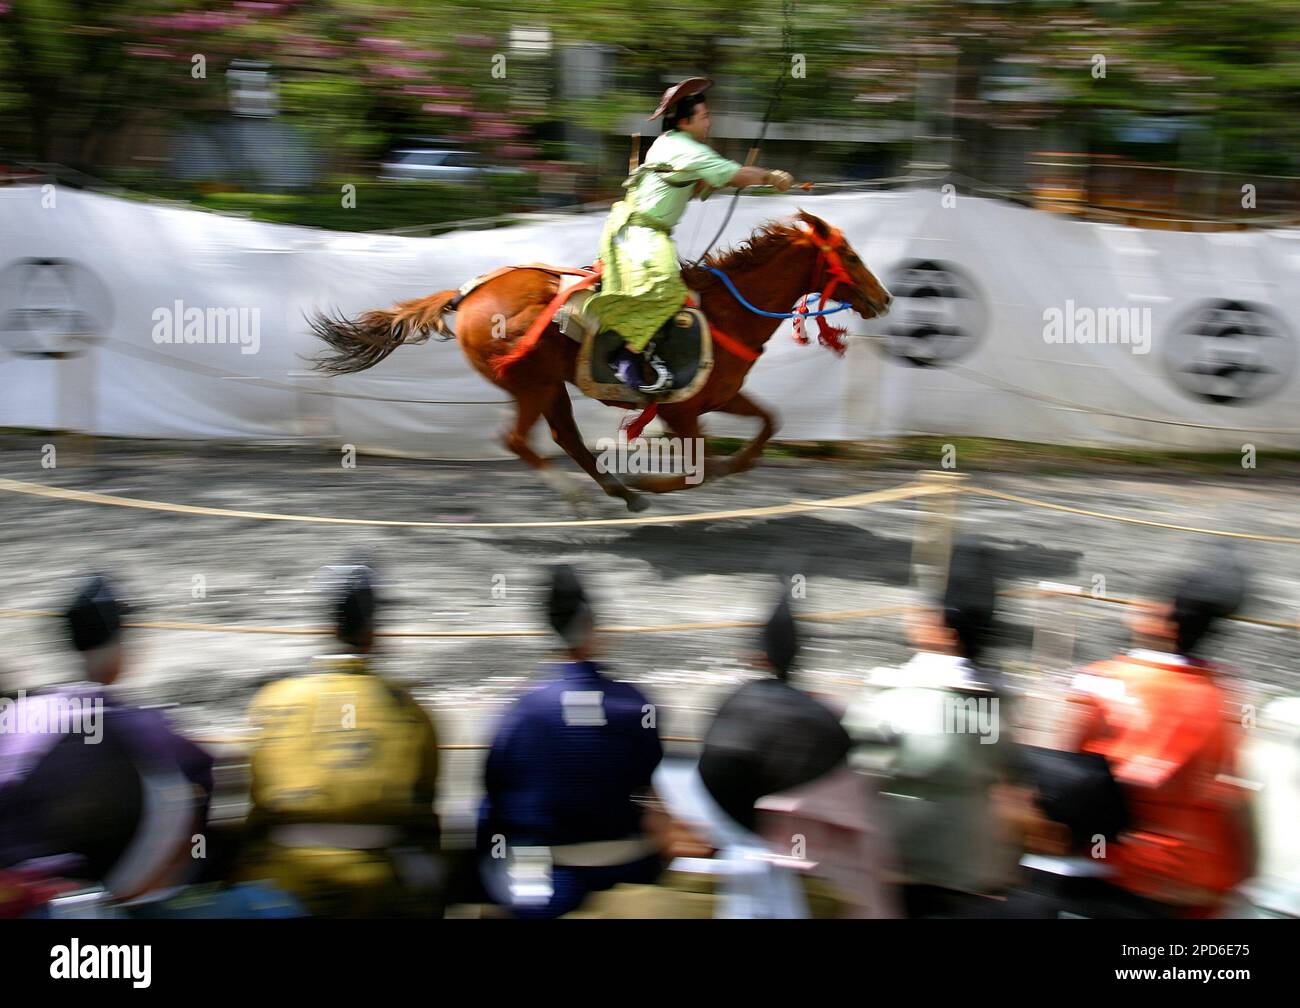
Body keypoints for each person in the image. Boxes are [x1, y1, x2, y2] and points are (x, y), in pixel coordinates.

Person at [235, 562, 443, 918]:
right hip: (377, 885)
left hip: (285, 880)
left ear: (325, 628)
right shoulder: (411, 710)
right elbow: (423, 811)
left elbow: (258, 801)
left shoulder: (273, 700)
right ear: (375, 632)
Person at [1057, 549, 1257, 917]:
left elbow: (1072, 774)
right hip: (1199, 876)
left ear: (1165, 619)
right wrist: (1245, 873)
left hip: (1119, 868)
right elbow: (1231, 793)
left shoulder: (1103, 681)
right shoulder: (1223, 694)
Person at [0, 575, 214, 903]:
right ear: (121, 644)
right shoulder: (140, 722)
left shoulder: (21, 710)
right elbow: (201, 775)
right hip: (82, 900)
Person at [584, 76, 795, 394]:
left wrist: (718, 179)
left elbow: (694, 179)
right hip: (641, 234)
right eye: (705, 116)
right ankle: (627, 356)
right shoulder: (687, 150)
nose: (710, 122)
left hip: (632, 229)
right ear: (685, 121)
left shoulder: (669, 141)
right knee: (667, 292)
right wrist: (768, 175)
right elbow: (734, 173)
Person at [476, 564, 664, 918]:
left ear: (548, 628)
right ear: (594, 627)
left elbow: (494, 799)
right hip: (630, 864)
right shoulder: (636, 703)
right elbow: (652, 782)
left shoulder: (521, 710)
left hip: (546, 874)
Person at [842, 540, 1017, 917]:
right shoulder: (994, 701)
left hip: (895, 858)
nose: (913, 616)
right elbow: (1004, 769)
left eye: (925, 612)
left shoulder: (892, 692)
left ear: (945, 631)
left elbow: (859, 766)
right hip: (969, 860)